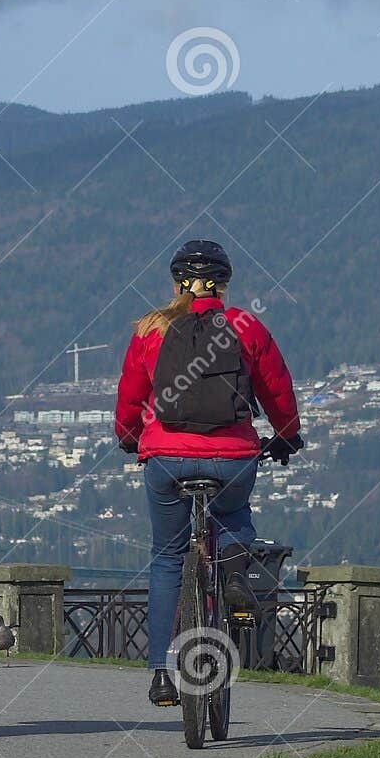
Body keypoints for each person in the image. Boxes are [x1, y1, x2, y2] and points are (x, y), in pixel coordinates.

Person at [114, 239, 302, 708]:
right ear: (223, 284)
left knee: (167, 559)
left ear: (177, 282)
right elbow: (277, 389)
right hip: (232, 460)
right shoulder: (244, 327)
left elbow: (128, 400)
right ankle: (235, 573)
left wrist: (129, 437)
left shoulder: (151, 329)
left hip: (166, 461)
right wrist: (287, 435)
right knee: (235, 517)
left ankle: (161, 672)